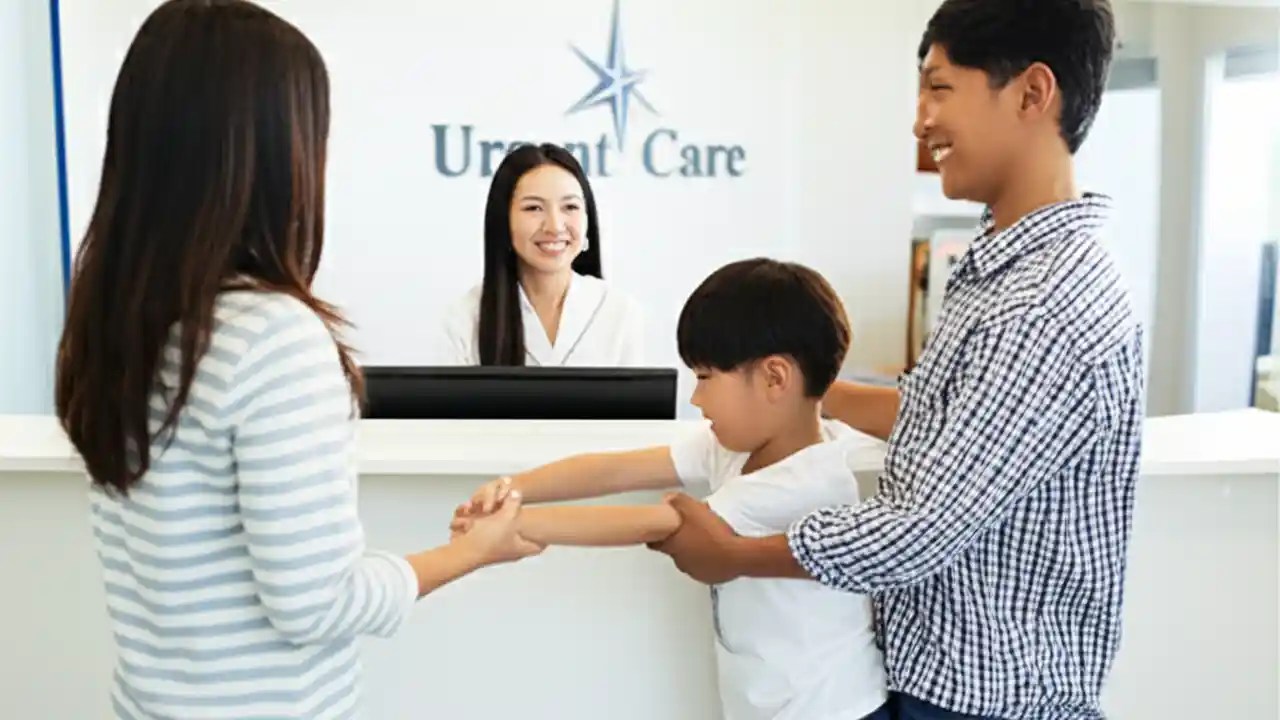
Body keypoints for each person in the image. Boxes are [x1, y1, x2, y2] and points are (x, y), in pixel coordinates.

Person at [646, 2, 1145, 719]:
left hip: (987, 701)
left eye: (940, 89)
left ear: (1033, 94)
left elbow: (923, 528)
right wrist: (811, 392)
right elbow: (945, 419)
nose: (920, 121)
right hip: (938, 682)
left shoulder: (1045, 301)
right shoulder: (1005, 266)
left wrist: (735, 554)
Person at [53, 2, 540, 718]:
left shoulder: (122, 319)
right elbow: (317, 604)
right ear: (273, 151)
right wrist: (472, 552)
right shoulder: (272, 337)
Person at [453, 258, 891, 720]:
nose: (695, 399)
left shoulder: (802, 480)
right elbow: (616, 471)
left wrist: (517, 523)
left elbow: (648, 523)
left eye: (705, 378)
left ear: (774, 378)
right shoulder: (733, 448)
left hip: (832, 711)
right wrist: (513, 487)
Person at [435, 143, 646, 366]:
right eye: (534, 208)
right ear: (503, 221)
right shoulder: (466, 317)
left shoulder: (618, 311)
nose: (554, 227)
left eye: (570, 207)